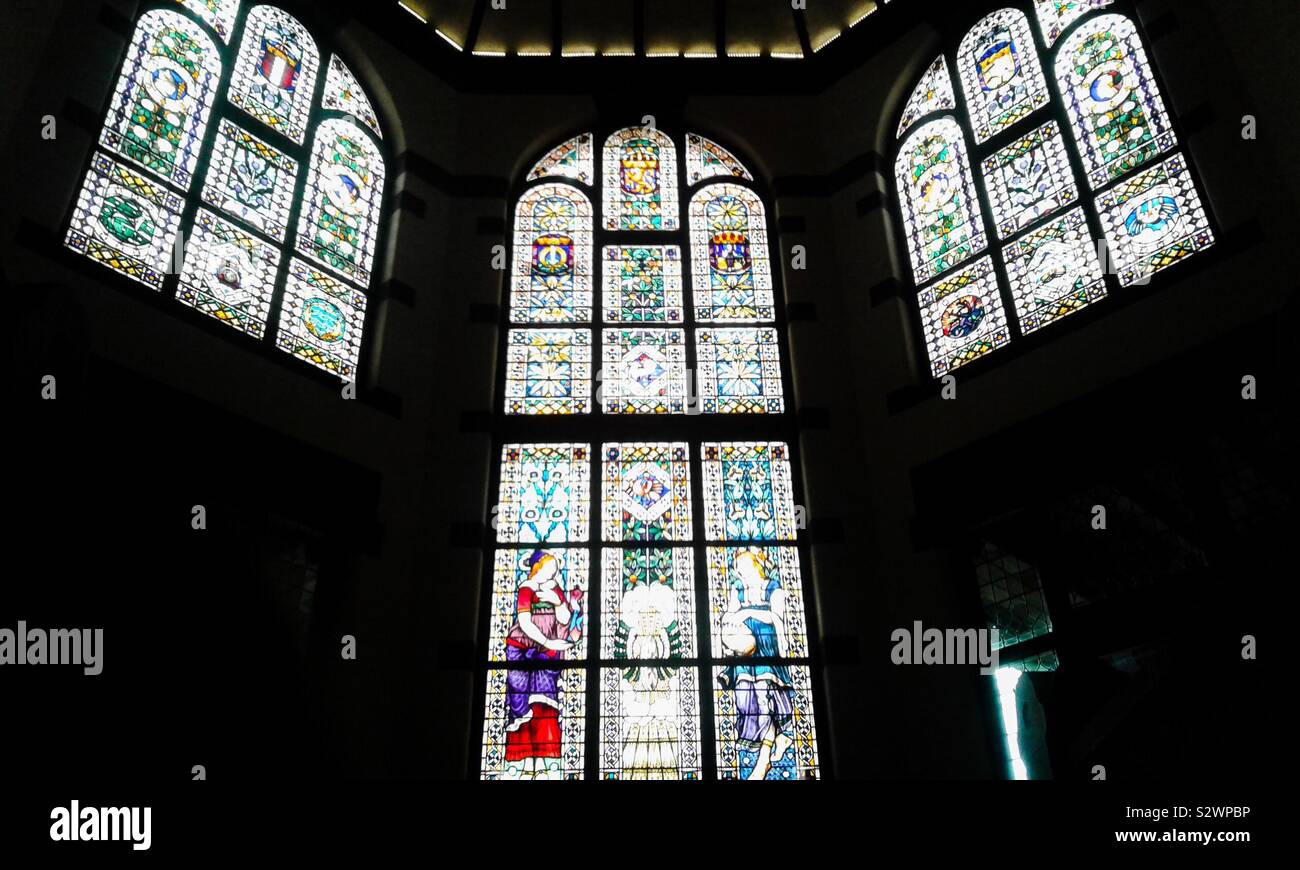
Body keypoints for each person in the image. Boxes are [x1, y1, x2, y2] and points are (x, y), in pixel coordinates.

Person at [717, 550, 796, 779]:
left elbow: (777, 617)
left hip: (767, 650)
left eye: (745, 570)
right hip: (744, 652)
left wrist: (747, 613)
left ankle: (763, 762)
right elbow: (730, 614)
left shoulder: (774, 589)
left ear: (757, 566)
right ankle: (780, 739)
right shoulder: (738, 591)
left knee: (764, 702)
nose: (742, 576)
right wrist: (729, 626)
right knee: (746, 701)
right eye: (739, 572)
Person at [503, 551, 581, 779]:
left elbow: (565, 619)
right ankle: (519, 761)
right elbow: (525, 623)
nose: (553, 571)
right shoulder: (526, 589)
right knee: (521, 701)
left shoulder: (554, 587)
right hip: (523, 647)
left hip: (547, 653)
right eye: (550, 567)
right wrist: (546, 641)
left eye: (555, 568)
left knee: (546, 702)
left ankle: (550, 758)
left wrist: (558, 600)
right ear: (538, 566)